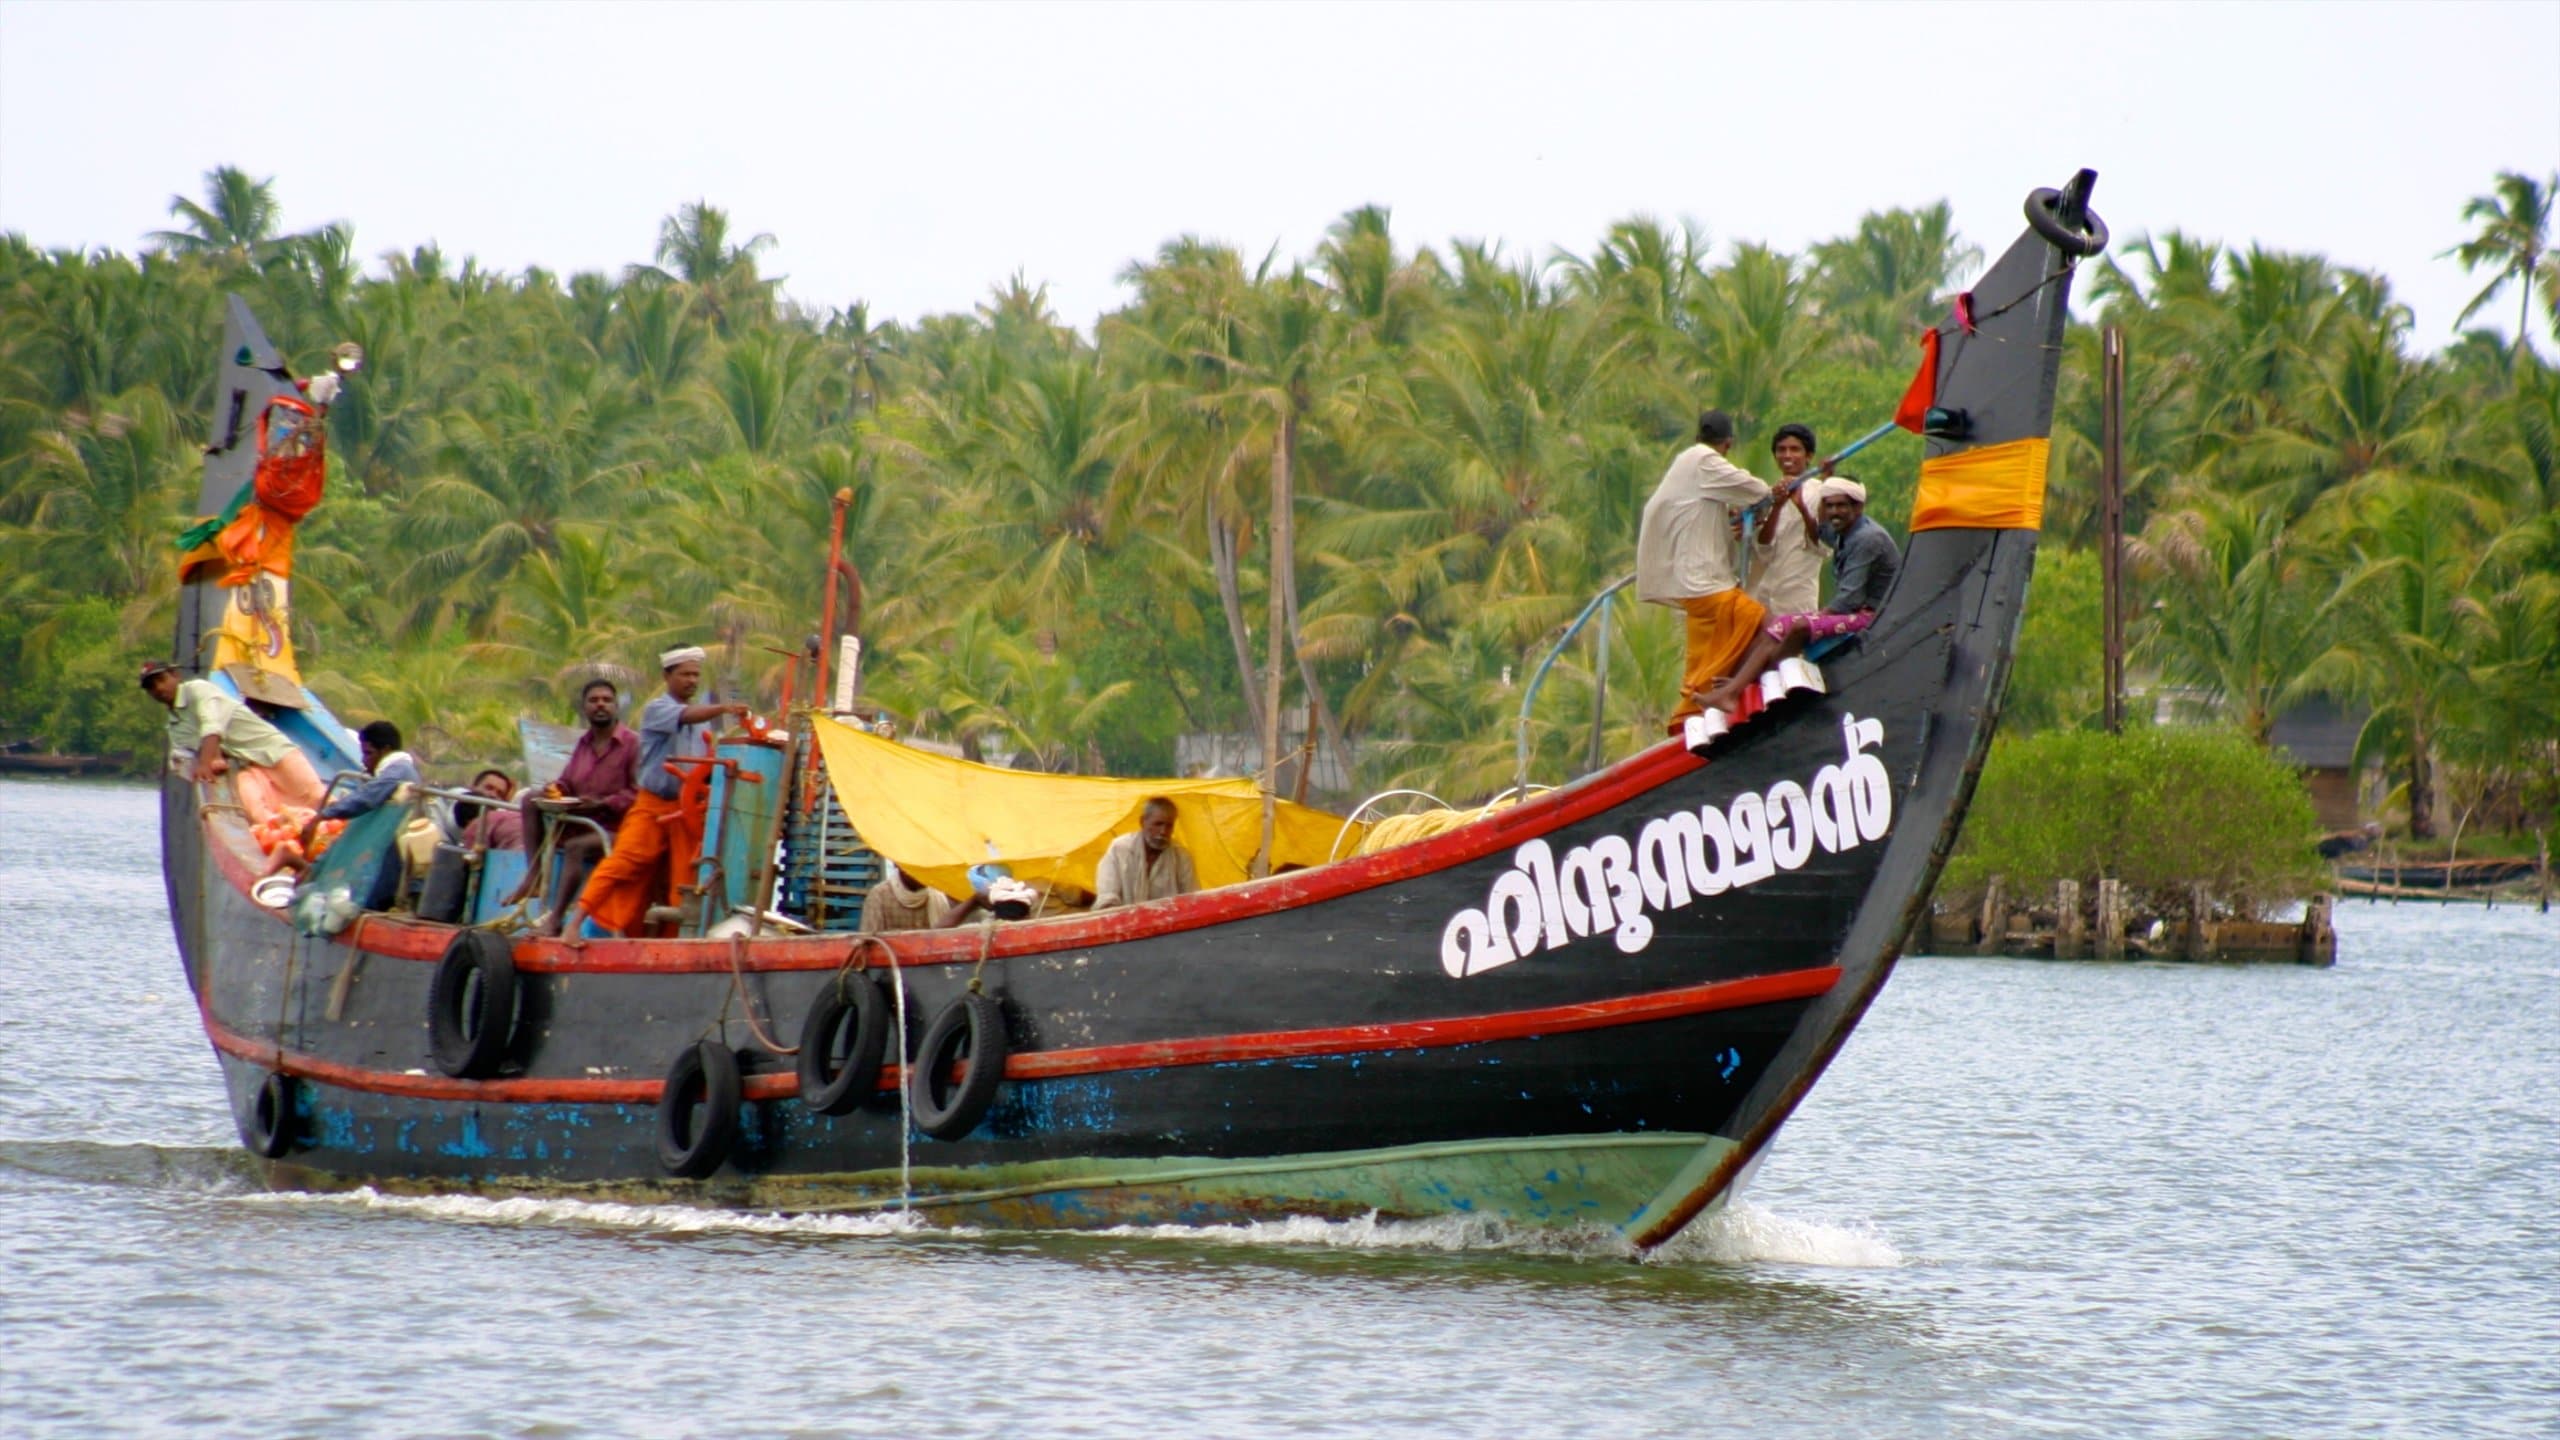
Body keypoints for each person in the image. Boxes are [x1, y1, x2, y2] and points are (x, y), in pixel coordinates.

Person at [572, 646, 749, 938]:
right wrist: (725, 709)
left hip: (686, 813)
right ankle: (576, 925)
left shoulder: (701, 720)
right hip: (652, 806)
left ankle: (676, 943)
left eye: (696, 675)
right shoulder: (659, 709)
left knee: (685, 882)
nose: (692, 680)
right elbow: (688, 715)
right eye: (685, 674)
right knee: (622, 863)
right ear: (667, 676)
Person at [1695, 479, 1904, 715]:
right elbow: (1821, 531)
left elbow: (1849, 599)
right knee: (1775, 625)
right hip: (1856, 610)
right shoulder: (1844, 531)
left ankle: (1746, 686)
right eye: (1829, 506)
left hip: (1872, 616)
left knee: (1799, 626)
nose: (1834, 512)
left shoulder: (1868, 539)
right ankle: (1735, 688)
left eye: (1841, 506)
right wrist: (1800, 506)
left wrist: (1817, 616)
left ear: (1857, 508)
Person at [1636, 410, 1772, 729]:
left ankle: (1687, 715)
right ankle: (1729, 693)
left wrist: (1731, 522)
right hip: (1703, 583)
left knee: (1703, 654)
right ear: (1727, 444)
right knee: (1769, 625)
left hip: (1690, 586)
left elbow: (1701, 512)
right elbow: (1758, 490)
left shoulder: (1686, 463)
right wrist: (1763, 503)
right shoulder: (1705, 461)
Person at [509, 678, 639, 935]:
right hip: (580, 820)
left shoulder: (632, 743)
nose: (600, 705)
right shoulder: (584, 743)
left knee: (575, 847)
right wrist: (555, 790)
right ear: (585, 708)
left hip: (615, 829)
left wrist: (603, 803)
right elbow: (568, 782)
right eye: (594, 700)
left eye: (606, 700)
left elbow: (638, 793)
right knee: (530, 800)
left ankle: (555, 920)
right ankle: (533, 876)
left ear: (615, 706)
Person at [140, 659, 326, 821]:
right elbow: (187, 754)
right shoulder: (175, 725)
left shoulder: (198, 689)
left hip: (274, 752)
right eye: (151, 687)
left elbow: (212, 725)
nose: (159, 689)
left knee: (317, 798)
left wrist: (205, 763)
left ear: (175, 675)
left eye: (161, 680)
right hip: (248, 767)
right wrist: (211, 760)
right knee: (260, 815)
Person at [1745, 422, 1831, 615]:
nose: (1787, 456)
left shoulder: (1820, 492)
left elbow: (1822, 545)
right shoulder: (1768, 495)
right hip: (1765, 599)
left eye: (1795, 450)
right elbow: (1764, 548)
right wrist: (1777, 505)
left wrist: (1800, 505)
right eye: (1781, 450)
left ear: (1808, 456)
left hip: (1798, 600)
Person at [1092, 797, 1198, 910]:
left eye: (1169, 826)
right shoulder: (1120, 848)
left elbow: (1192, 898)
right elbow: (1107, 895)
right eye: (1158, 824)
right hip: (1124, 922)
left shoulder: (1181, 856)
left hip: (1168, 923)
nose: (1163, 831)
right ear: (1143, 822)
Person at [859, 862, 991, 933]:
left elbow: (944, 934)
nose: (922, 874)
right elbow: (869, 941)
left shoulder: (940, 892)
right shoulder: (880, 895)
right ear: (898, 865)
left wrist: (975, 901)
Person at [458, 768, 525, 853]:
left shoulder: (499, 818)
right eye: (489, 788)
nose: (493, 795)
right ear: (472, 786)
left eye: (499, 793)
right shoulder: (456, 798)